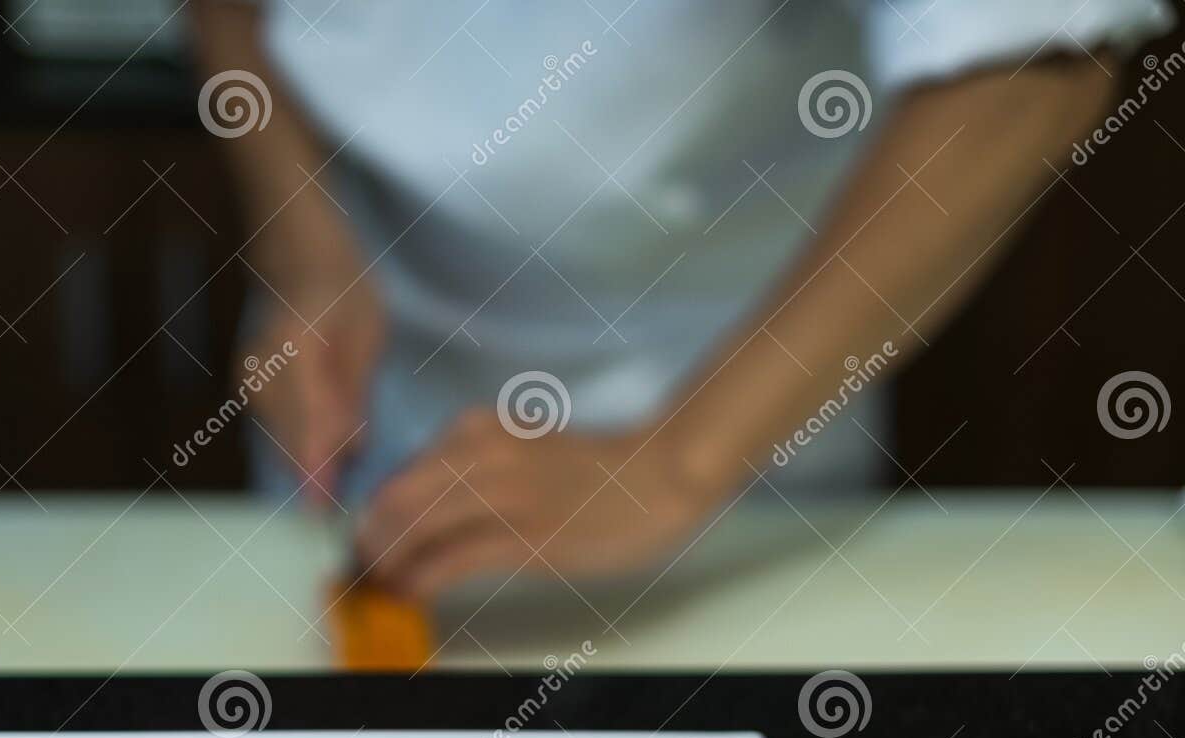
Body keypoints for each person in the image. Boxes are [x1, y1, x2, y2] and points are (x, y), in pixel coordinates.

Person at [192, 0, 1172, 599]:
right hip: (366, 408)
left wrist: (673, 465)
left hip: (739, 429)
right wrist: (305, 246)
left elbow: (1034, 56)